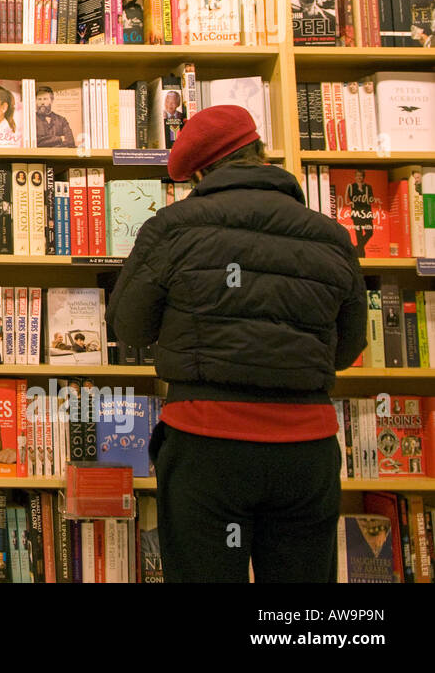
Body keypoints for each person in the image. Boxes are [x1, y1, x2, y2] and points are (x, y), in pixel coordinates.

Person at [107, 105, 367, 582]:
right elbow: (348, 349)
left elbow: (130, 328)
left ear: (201, 172)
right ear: (261, 154)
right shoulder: (331, 237)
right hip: (305, 451)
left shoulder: (172, 228)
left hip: (208, 446)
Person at [345, 169, 376, 258]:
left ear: (363, 177)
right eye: (357, 176)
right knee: (358, 233)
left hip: (366, 212)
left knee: (369, 232)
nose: (359, 178)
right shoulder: (352, 187)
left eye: (361, 176)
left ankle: (357, 248)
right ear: (355, 177)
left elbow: (371, 198)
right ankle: (361, 255)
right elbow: (350, 198)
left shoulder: (368, 187)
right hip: (356, 212)